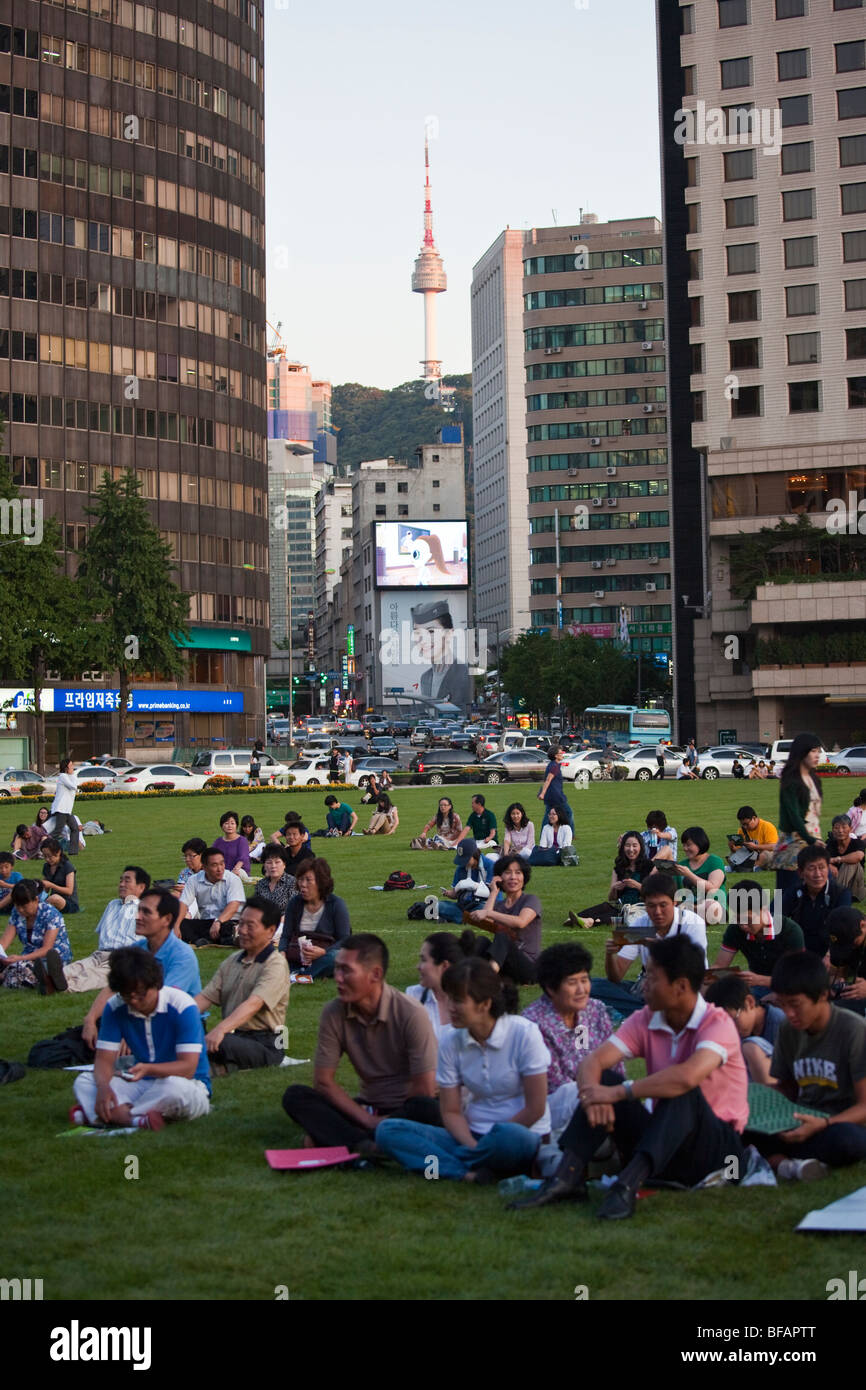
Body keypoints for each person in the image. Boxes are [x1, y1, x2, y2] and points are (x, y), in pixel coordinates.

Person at [511, 936, 748, 1216]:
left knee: (680, 1089)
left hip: (714, 1149)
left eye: (653, 978)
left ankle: (626, 1185)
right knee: (605, 1078)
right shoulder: (646, 1018)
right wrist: (594, 1095)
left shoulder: (716, 1023)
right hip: (663, 1143)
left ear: (681, 986)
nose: (644, 984)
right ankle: (567, 1177)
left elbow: (686, 1077)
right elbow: (593, 1061)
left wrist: (617, 1093)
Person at [375, 958, 550, 1182]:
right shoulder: (451, 1040)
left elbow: (535, 1108)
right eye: (449, 999)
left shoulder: (524, 1033)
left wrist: (485, 1145)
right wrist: (473, 1145)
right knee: (388, 1131)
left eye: (458, 1001)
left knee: (511, 1137)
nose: (450, 1008)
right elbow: (450, 1111)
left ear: (485, 1004)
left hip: (520, 1135)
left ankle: (453, 1163)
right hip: (471, 1135)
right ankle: (467, 1173)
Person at [281, 933, 440, 1151]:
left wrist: (385, 1120)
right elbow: (324, 1082)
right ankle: (368, 1143)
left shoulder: (411, 1013)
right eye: (337, 968)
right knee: (296, 1096)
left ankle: (348, 1140)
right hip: (368, 1108)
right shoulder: (334, 1012)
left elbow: (425, 1088)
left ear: (375, 974)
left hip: (408, 1108)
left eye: (346, 970)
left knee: (426, 1108)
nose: (338, 977)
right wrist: (368, 1120)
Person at [747, 951, 866, 1181]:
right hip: (800, 1118)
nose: (789, 1014)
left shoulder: (853, 1030)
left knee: (848, 1142)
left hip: (838, 1122)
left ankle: (776, 1161)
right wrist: (751, 1100)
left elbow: (864, 1107)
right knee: (737, 1125)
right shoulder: (788, 1030)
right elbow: (788, 1089)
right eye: (782, 1005)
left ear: (822, 996)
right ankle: (787, 1165)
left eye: (795, 1005)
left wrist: (822, 1124)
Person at [71, 949, 210, 1131]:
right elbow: (104, 1059)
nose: (135, 1001)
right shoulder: (115, 1007)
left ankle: (106, 1115)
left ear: (156, 984)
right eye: (128, 995)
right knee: (85, 1082)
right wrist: (104, 1088)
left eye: (141, 994)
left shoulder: (183, 1006)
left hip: (187, 1082)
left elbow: (188, 1067)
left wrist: (148, 1069)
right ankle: (137, 1119)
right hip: (140, 1081)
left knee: (175, 1089)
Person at [81, 888, 202, 1053]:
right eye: (138, 910)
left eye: (146, 912)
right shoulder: (137, 949)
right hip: (139, 1014)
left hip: (175, 1024)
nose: (137, 917)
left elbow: (163, 1000)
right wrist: (90, 1019)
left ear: (167, 919)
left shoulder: (182, 956)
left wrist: (133, 1034)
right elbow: (114, 987)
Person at [523, 942, 622, 1134]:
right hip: (551, 1106)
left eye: (584, 980)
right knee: (574, 1092)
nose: (581, 989)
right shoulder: (533, 1024)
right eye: (572, 983)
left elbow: (615, 1064)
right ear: (551, 989)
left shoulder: (596, 1010)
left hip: (597, 1094)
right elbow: (553, 1084)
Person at [589, 871, 708, 1019]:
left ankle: (642, 1011)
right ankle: (648, 1010)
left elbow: (694, 972)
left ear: (675, 902)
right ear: (644, 904)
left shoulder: (692, 923)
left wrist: (659, 949)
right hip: (648, 986)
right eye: (651, 905)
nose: (657, 912)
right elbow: (616, 977)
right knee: (590, 986)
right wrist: (609, 955)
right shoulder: (640, 925)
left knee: (716, 989)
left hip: (683, 985)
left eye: (663, 905)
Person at [193, 896, 290, 1073]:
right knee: (190, 1033)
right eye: (241, 924)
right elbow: (204, 998)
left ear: (270, 931)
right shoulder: (232, 961)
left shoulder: (275, 964)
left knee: (217, 1042)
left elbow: (254, 1004)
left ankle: (217, 1068)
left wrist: (221, 1029)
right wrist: (174, 1020)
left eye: (250, 926)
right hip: (236, 1037)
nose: (242, 931)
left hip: (266, 1044)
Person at [709, 879, 804, 1000]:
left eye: (748, 919)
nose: (743, 925)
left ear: (763, 909)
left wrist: (761, 980)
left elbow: (798, 978)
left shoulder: (789, 931)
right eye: (738, 919)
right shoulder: (735, 930)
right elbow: (719, 966)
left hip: (786, 988)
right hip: (754, 988)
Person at [61, 866, 151, 994]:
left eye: (127, 881)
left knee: (96, 976)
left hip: (124, 958)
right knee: (76, 967)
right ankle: (51, 978)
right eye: (120, 881)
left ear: (141, 887)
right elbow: (101, 932)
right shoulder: (112, 904)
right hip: (100, 954)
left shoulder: (143, 909)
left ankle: (64, 986)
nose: (121, 884)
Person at [464, 853, 543, 986]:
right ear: (500, 877)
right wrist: (494, 892)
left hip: (528, 968)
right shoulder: (500, 906)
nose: (513, 877)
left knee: (503, 937)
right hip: (506, 965)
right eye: (507, 873)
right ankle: (466, 973)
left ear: (524, 877)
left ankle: (487, 978)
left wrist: (488, 912)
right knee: (482, 941)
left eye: (518, 873)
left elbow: (521, 922)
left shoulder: (530, 900)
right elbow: (487, 922)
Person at [704, 974, 787, 1085]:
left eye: (733, 1019)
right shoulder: (740, 1030)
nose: (731, 1029)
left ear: (749, 1002)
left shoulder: (782, 1026)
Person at [281, 857, 351, 980]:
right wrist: (281, 952)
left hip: (324, 953)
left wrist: (324, 951)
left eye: (308, 880)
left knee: (335, 956)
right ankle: (305, 973)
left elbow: (345, 939)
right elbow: (286, 935)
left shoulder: (336, 904)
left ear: (320, 882)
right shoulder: (294, 903)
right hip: (296, 953)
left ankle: (302, 975)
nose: (302, 884)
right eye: (300, 879)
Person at [0, 880, 73, 991]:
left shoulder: (50, 914)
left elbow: (47, 949)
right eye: (17, 905)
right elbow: (3, 943)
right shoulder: (16, 913)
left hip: (52, 957)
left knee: (21, 969)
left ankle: (47, 977)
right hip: (27, 958)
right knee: (19, 968)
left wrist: (20, 958)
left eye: (24, 906)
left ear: (36, 900)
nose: (20, 910)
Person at [776, 732, 824, 896]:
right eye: (813, 751)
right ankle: (773, 921)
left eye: (819, 751)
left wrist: (815, 839)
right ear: (802, 752)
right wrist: (810, 839)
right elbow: (793, 815)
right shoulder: (791, 782)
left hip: (812, 841)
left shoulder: (814, 779)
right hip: (793, 845)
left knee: (814, 893)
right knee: (787, 895)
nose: (818, 755)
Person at [783, 845, 852, 956]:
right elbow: (774, 918)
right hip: (800, 952)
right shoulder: (793, 892)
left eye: (822, 867)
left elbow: (844, 929)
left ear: (828, 868)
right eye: (811, 868)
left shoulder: (841, 893)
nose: (818, 874)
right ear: (800, 872)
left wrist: (830, 955)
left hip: (831, 953)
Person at [576, 830, 652, 926]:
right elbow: (612, 899)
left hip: (638, 908)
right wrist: (614, 888)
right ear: (623, 847)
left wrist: (636, 885)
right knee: (604, 907)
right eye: (627, 845)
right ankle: (579, 918)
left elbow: (653, 894)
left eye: (634, 845)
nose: (631, 849)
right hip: (620, 905)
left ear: (641, 847)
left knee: (616, 916)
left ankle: (591, 921)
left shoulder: (649, 866)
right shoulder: (619, 868)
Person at [411, 597, 473, 709]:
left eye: (431, 631)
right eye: (418, 632)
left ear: (449, 633)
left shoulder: (464, 673)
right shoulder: (425, 677)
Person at [176, 848, 245, 948]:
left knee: (228, 928)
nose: (220, 869)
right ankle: (210, 939)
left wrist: (218, 922)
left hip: (228, 921)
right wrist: (176, 925)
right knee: (182, 924)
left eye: (222, 864)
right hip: (206, 923)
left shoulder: (232, 879)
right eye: (214, 865)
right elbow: (183, 903)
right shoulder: (193, 880)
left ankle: (204, 939)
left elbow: (233, 906)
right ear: (204, 867)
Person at [658, 825, 726, 925]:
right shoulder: (682, 865)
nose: (685, 848)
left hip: (711, 905)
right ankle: (687, 913)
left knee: (711, 906)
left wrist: (689, 874)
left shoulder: (715, 861)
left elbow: (713, 888)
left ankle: (686, 913)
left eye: (689, 845)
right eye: (684, 845)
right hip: (689, 904)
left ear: (700, 843)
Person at [406, 932, 467, 1041]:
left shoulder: (471, 1002)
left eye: (424, 960)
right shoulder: (413, 996)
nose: (418, 966)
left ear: (444, 966)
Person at [435, 838, 493, 923]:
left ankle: (456, 918)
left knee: (484, 910)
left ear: (475, 855)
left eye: (466, 859)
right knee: (438, 905)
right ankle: (467, 918)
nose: (464, 863)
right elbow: (456, 895)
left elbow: (492, 893)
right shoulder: (461, 868)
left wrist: (474, 886)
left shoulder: (490, 865)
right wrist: (450, 893)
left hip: (484, 904)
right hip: (464, 905)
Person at [827, 907, 866, 1017]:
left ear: (863, 925)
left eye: (852, 942)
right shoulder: (841, 941)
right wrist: (836, 983)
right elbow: (835, 972)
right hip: (854, 995)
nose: (850, 948)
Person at [826, 815, 866, 901]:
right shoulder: (831, 844)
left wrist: (836, 859)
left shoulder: (857, 843)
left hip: (855, 886)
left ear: (850, 829)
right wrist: (829, 865)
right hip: (837, 879)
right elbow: (823, 859)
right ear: (833, 830)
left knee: (851, 863)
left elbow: (859, 856)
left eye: (844, 827)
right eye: (837, 828)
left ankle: (835, 895)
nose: (840, 831)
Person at [726, 806, 779, 872]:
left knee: (765, 855)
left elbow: (774, 846)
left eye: (746, 824)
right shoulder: (741, 830)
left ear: (754, 818)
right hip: (752, 855)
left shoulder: (767, 826)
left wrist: (755, 847)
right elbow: (740, 850)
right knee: (731, 856)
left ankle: (742, 868)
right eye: (742, 824)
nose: (745, 827)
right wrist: (732, 847)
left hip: (763, 854)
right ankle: (751, 868)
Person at [256, 845, 296, 928]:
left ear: (284, 864)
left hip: (285, 926)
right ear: (264, 865)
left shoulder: (293, 883)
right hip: (262, 925)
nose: (273, 866)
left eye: (277, 862)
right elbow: (256, 908)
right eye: (269, 862)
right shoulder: (260, 884)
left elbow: (294, 911)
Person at [39, 837, 80, 914]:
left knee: (55, 898)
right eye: (45, 856)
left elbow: (69, 891)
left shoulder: (68, 867)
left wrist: (51, 885)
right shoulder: (47, 866)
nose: (47, 859)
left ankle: (40, 909)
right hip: (52, 899)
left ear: (58, 852)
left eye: (50, 856)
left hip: (68, 902)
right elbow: (45, 890)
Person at [538, 745, 573, 831]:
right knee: (568, 812)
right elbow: (548, 780)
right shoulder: (554, 766)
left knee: (548, 816)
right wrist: (542, 793)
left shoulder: (552, 765)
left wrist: (543, 793)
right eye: (561, 753)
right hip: (556, 796)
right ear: (555, 755)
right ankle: (570, 834)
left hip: (551, 795)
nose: (562, 755)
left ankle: (544, 837)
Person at [50, 757, 80, 855]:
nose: (73, 767)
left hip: (67, 809)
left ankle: (73, 851)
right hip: (61, 808)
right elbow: (73, 786)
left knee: (75, 828)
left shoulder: (69, 776)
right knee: (57, 831)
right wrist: (72, 775)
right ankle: (43, 846)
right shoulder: (62, 776)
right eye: (71, 765)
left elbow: (74, 784)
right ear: (66, 767)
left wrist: (72, 775)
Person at [211, 811, 251, 880]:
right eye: (226, 823)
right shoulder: (218, 841)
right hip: (222, 871)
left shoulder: (242, 840)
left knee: (237, 873)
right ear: (222, 826)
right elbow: (211, 855)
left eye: (232, 823)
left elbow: (243, 857)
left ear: (236, 825)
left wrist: (236, 869)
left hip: (238, 871)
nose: (229, 826)